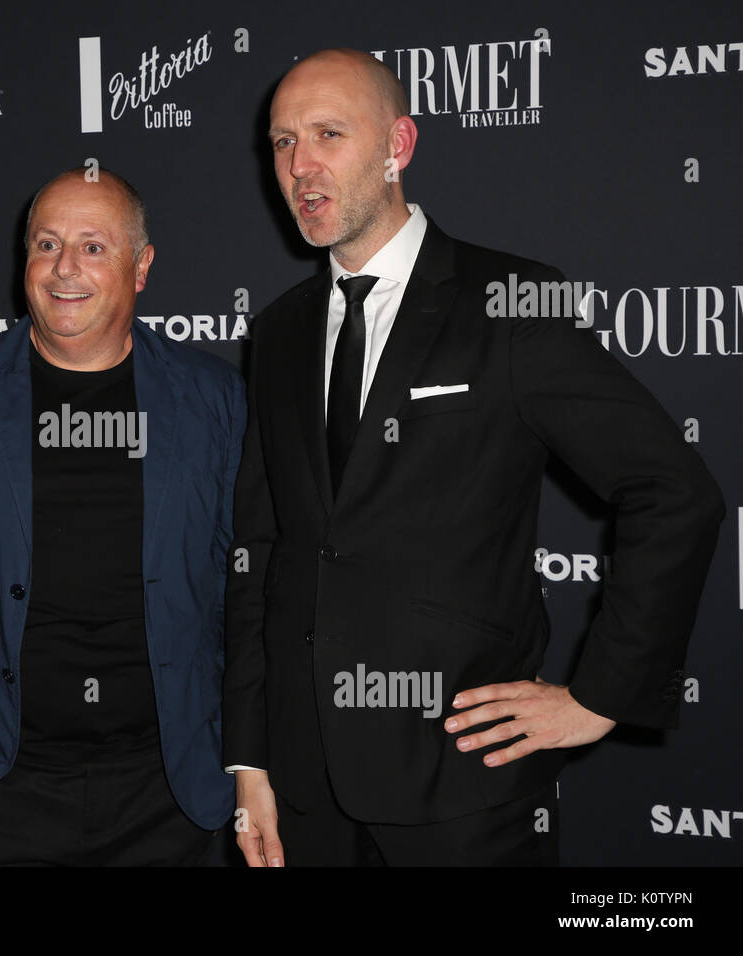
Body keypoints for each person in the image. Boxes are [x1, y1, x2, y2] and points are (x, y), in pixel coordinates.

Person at [224, 49, 724, 866]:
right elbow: (262, 552)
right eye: (281, 142)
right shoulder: (280, 330)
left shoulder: (512, 302)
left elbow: (674, 490)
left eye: (328, 134)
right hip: (304, 792)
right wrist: (250, 758)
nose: (299, 166)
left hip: (463, 791)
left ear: (399, 145)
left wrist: (602, 696)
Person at [0, 168, 244, 865]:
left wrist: (242, 756)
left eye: (94, 247)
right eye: (46, 243)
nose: (65, 268)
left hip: (170, 793)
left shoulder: (215, 399)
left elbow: (246, 592)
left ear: (142, 267)